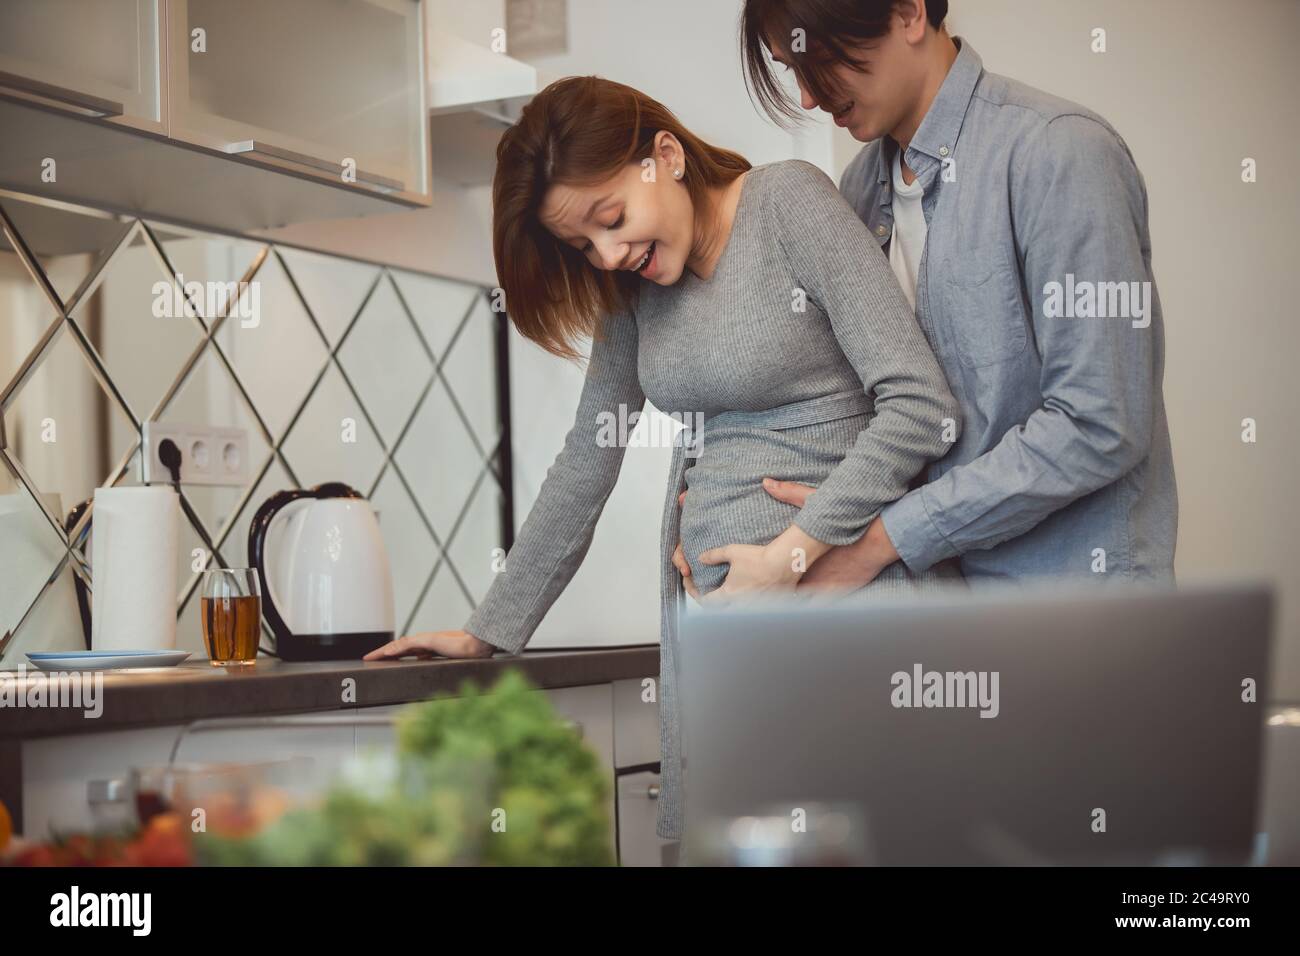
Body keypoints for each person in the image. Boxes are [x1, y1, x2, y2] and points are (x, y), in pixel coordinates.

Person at [364, 75, 962, 842]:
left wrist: (791, 554)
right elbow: (590, 454)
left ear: (667, 157)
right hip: (729, 640)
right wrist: (490, 628)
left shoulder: (788, 206)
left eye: (610, 218)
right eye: (584, 243)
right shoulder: (634, 288)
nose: (609, 253)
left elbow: (921, 405)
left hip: (849, 617)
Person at [709, 0, 1178, 594]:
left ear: (908, 14)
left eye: (818, 59)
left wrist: (881, 540)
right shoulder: (854, 193)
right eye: (790, 71)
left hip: (1077, 614)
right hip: (935, 611)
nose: (808, 98)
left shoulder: (1058, 153)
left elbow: (1099, 422)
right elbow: (880, 414)